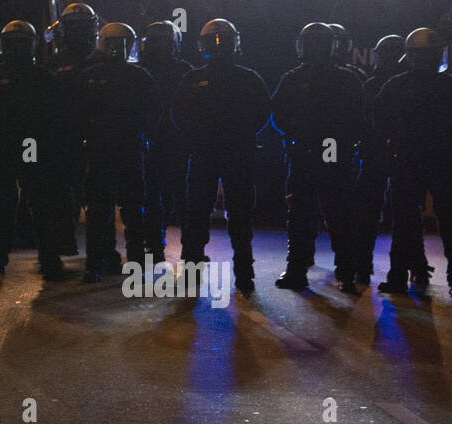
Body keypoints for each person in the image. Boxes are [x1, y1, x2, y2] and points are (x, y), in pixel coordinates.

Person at [0, 20, 72, 280]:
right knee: (37, 207)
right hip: (29, 149)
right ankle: (46, 262)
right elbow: (61, 121)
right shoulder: (44, 79)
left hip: (3, 149)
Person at [171, 19, 271, 294]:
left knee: (227, 214)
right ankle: (237, 274)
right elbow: (178, 113)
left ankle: (235, 273)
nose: (218, 47)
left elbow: (263, 112)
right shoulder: (202, 79)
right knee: (209, 214)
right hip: (219, 153)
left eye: (221, 41)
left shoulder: (238, 78)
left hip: (226, 154)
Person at [373, 28, 452, 299]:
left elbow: (379, 120)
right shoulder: (450, 86)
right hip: (431, 161)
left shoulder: (397, 85)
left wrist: (396, 141)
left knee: (408, 223)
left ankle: (399, 277)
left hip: (413, 161)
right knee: (446, 224)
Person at [270, 22, 367, 293]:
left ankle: (333, 272)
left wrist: (301, 137)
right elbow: (278, 115)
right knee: (313, 213)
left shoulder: (338, 79)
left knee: (329, 214)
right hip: (317, 151)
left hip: (321, 150)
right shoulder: (305, 79)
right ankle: (317, 270)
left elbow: (359, 117)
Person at [75, 22, 160, 282]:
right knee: (126, 210)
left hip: (111, 150)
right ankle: (121, 263)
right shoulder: (137, 75)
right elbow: (154, 112)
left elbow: (153, 112)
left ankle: (99, 264)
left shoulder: (96, 76)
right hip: (122, 150)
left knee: (110, 210)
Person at [43, 2, 100, 257]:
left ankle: (98, 249)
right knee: (63, 193)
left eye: (81, 26)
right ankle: (66, 241)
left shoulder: (100, 61)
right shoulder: (55, 62)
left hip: (95, 134)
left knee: (96, 196)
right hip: (65, 137)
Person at [352, 34, 406, 283]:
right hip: (382, 154)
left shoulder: (372, 85)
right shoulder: (374, 85)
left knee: (375, 214)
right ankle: (396, 269)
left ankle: (365, 266)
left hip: (381, 154)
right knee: (398, 214)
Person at [139, 20, 192, 262]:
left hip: (158, 138)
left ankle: (156, 242)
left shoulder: (140, 70)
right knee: (177, 194)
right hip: (171, 139)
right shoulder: (185, 71)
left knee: (154, 194)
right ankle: (188, 247)